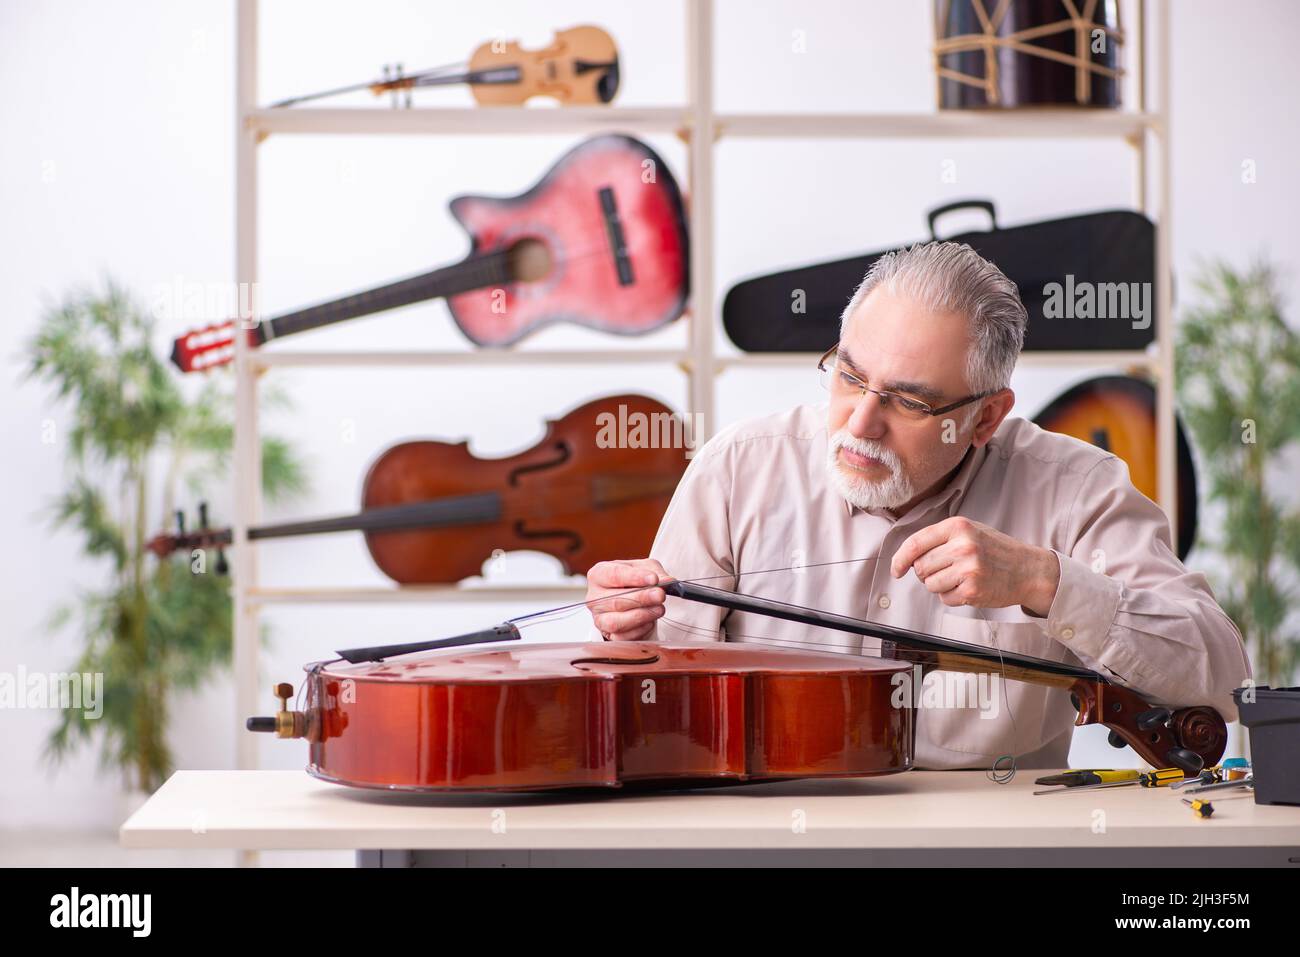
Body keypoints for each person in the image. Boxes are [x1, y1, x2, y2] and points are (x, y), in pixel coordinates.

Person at [584, 241, 1251, 769]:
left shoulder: (1074, 485)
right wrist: (628, 637)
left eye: (909, 401)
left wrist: (1045, 581)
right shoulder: (739, 468)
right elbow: (662, 712)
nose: (860, 423)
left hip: (987, 853)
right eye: (849, 375)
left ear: (987, 417)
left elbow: (1220, 675)